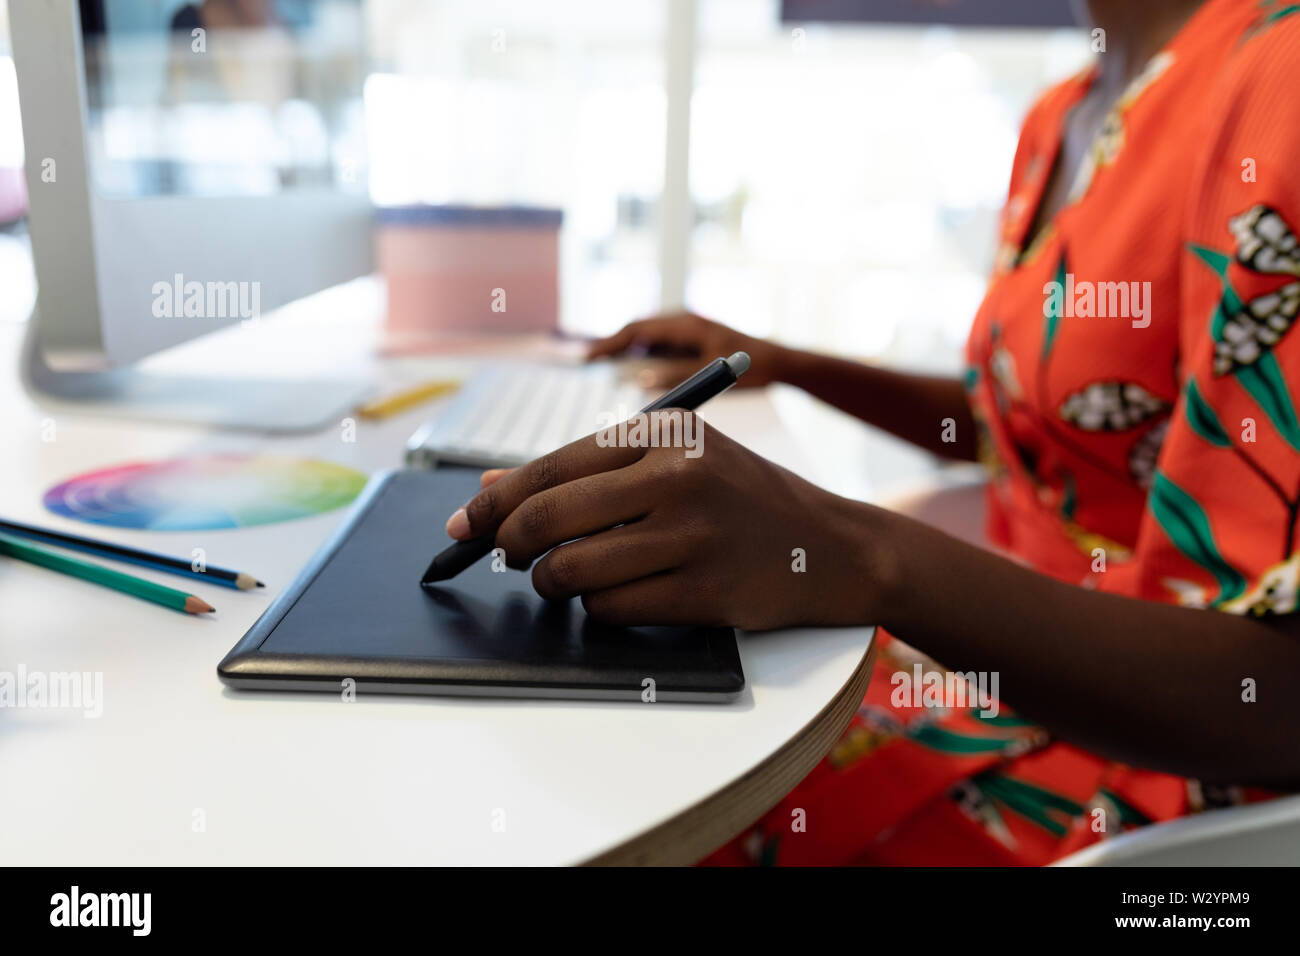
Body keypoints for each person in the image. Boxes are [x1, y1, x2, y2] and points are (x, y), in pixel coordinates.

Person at [441, 0, 1300, 864]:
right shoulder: (1067, 112)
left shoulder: (1279, 75)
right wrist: (782, 363)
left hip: (1148, 786)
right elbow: (1029, 421)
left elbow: (1273, 697)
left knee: (604, 806)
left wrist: (859, 552)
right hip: (1005, 671)